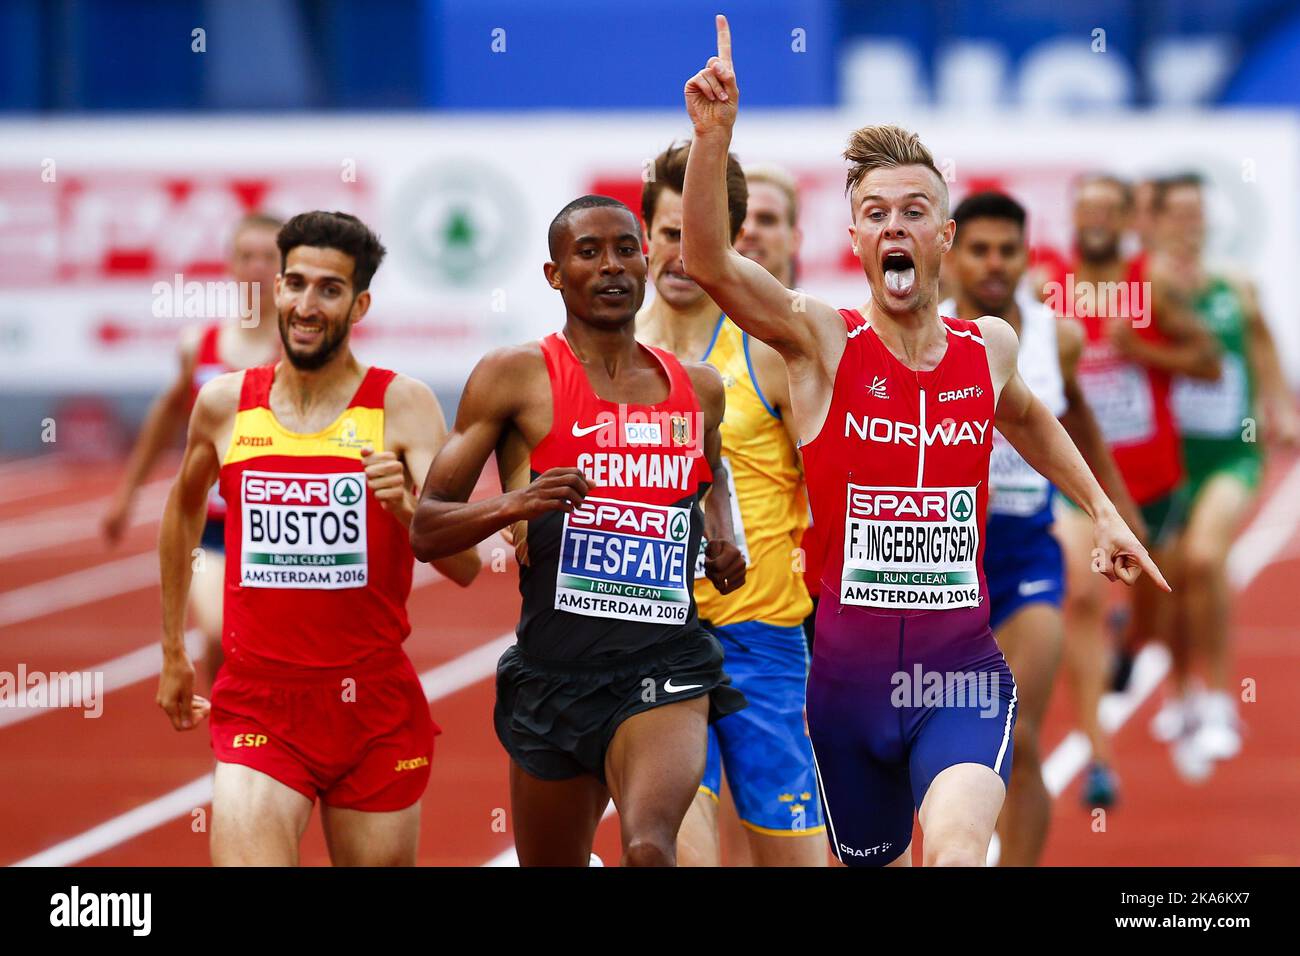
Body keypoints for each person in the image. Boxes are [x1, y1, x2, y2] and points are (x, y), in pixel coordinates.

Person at [679, 15, 1164, 867]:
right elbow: (712, 263)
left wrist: (1103, 509)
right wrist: (714, 139)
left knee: (954, 847)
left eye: (914, 211)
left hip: (960, 678)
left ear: (942, 234)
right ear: (858, 240)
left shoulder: (990, 348)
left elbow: (1030, 417)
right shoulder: (820, 343)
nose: (894, 227)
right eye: (875, 214)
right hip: (844, 690)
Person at [410, 195, 749, 867]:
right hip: (552, 677)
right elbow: (426, 528)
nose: (611, 267)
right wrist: (518, 503)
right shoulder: (514, 378)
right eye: (588, 253)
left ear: (646, 262)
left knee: (650, 848)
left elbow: (712, 474)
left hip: (666, 666)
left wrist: (720, 538)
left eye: (626, 249)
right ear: (553, 273)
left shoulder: (697, 389)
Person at [156, 210, 481, 866]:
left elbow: (468, 566)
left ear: (359, 303)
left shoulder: (402, 403)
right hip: (260, 705)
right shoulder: (225, 404)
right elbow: (182, 513)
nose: (307, 305)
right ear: (276, 289)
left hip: (373, 708)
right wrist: (172, 649)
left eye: (329, 290)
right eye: (296, 284)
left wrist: (406, 508)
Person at [635, 146, 824, 866]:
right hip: (652, 640)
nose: (681, 256)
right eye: (667, 234)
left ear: (728, 243)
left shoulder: (770, 353)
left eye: (698, 236)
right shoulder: (610, 359)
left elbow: (836, 491)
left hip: (764, 645)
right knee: (677, 853)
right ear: (645, 236)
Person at [940, 190, 1141, 865]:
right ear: (951, 254)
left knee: (1017, 738)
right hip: (940, 562)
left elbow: (1077, 420)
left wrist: (1113, 510)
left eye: (1007, 250)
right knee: (936, 741)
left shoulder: (1057, 336)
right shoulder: (921, 334)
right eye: (979, 250)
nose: (994, 264)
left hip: (1027, 550)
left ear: (1027, 255)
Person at [1048, 174, 1220, 804]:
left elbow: (1210, 360)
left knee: (1155, 610)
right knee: (1083, 598)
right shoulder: (1051, 288)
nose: (1093, 219)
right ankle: (1100, 758)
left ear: (1125, 220)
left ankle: (1136, 647)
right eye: (1084, 208)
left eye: (1106, 211)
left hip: (1152, 484)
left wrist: (1144, 354)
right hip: (1079, 479)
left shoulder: (1153, 288)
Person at [1155, 174, 1299, 769]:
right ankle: (1181, 694)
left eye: (1199, 214)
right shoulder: (1143, 290)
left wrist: (1278, 405)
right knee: (1167, 584)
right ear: (1156, 221)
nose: (1192, 225)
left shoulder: (1234, 285)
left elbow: (1262, 344)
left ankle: (1217, 697)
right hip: (1166, 461)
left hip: (1232, 452)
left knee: (1206, 559)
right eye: (1180, 215)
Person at [105, 213, 283, 686]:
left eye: (270, 257)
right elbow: (166, 416)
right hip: (215, 533)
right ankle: (230, 743)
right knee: (222, 636)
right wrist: (127, 494)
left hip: (282, 529)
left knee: (282, 653)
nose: (257, 268)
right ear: (230, 265)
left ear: (287, 270)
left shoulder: (304, 350)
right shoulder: (197, 345)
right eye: (247, 256)